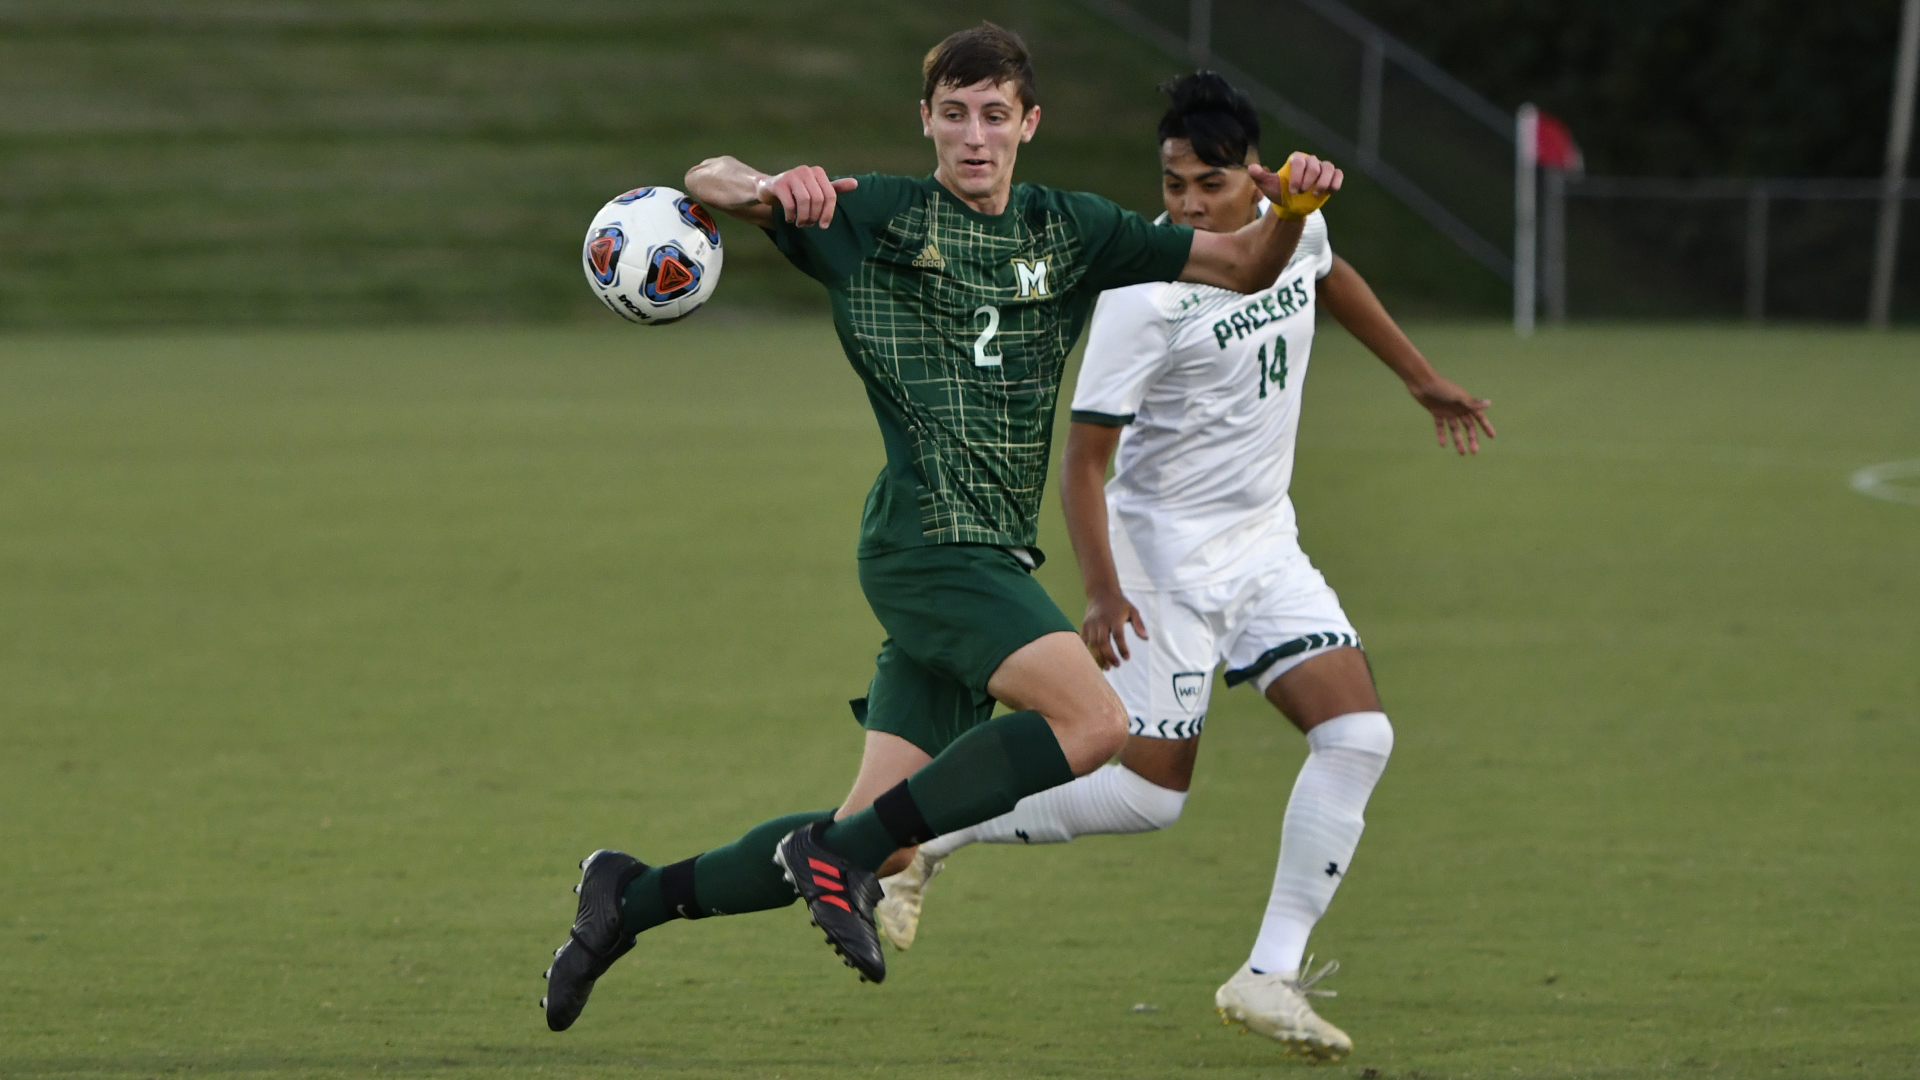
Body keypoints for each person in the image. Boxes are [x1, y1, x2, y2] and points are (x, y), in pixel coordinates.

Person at [538, 27, 1345, 1032]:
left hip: (992, 553)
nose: (974, 135)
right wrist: (764, 182)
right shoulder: (871, 213)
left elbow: (1245, 266)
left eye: (994, 115)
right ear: (925, 119)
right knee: (1096, 726)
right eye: (953, 113)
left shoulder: (1073, 228)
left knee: (884, 837)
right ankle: (831, 861)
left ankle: (628, 897)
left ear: (1028, 125)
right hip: (928, 543)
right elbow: (708, 178)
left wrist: (1296, 209)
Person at [871, 71, 1494, 1062]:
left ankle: (1268, 975)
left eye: (1207, 184)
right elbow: (1084, 459)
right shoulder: (1146, 292)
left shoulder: (1295, 220)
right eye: (1173, 186)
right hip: (1161, 560)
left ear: (1252, 174)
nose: (1188, 204)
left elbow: (1329, 271)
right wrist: (1104, 588)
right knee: (1150, 797)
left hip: (1264, 542)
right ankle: (928, 837)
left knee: (1360, 735)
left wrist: (1422, 380)